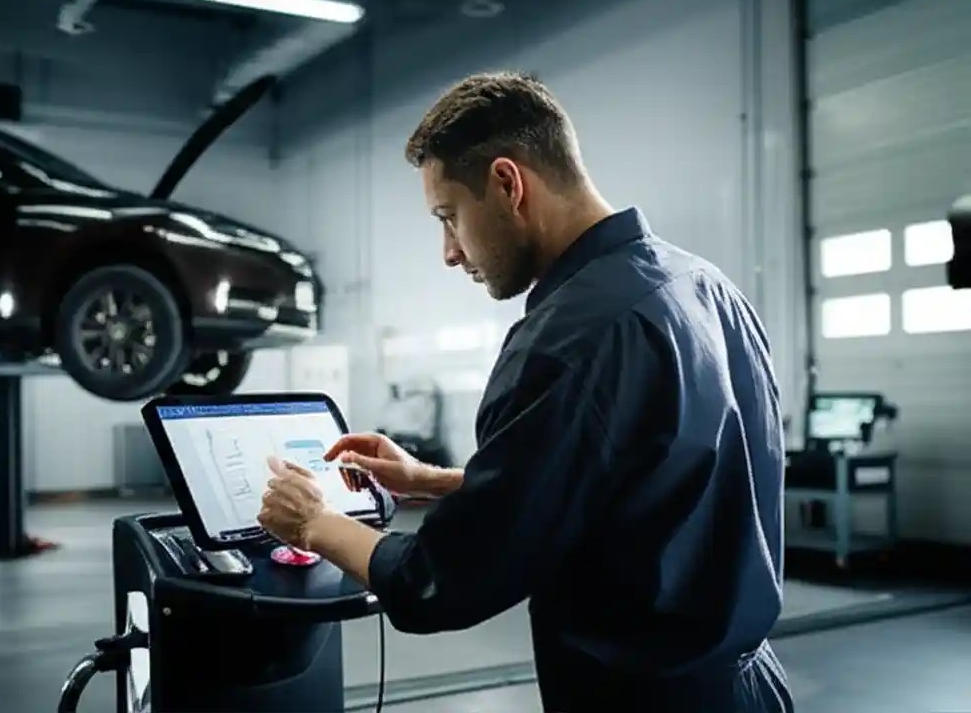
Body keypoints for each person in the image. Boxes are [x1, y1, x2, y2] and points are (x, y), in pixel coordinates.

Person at [257, 71, 794, 712]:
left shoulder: (568, 338)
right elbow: (637, 484)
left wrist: (313, 525)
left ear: (509, 184)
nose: (449, 252)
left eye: (449, 217)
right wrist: (435, 480)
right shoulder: (703, 286)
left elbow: (444, 582)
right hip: (750, 688)